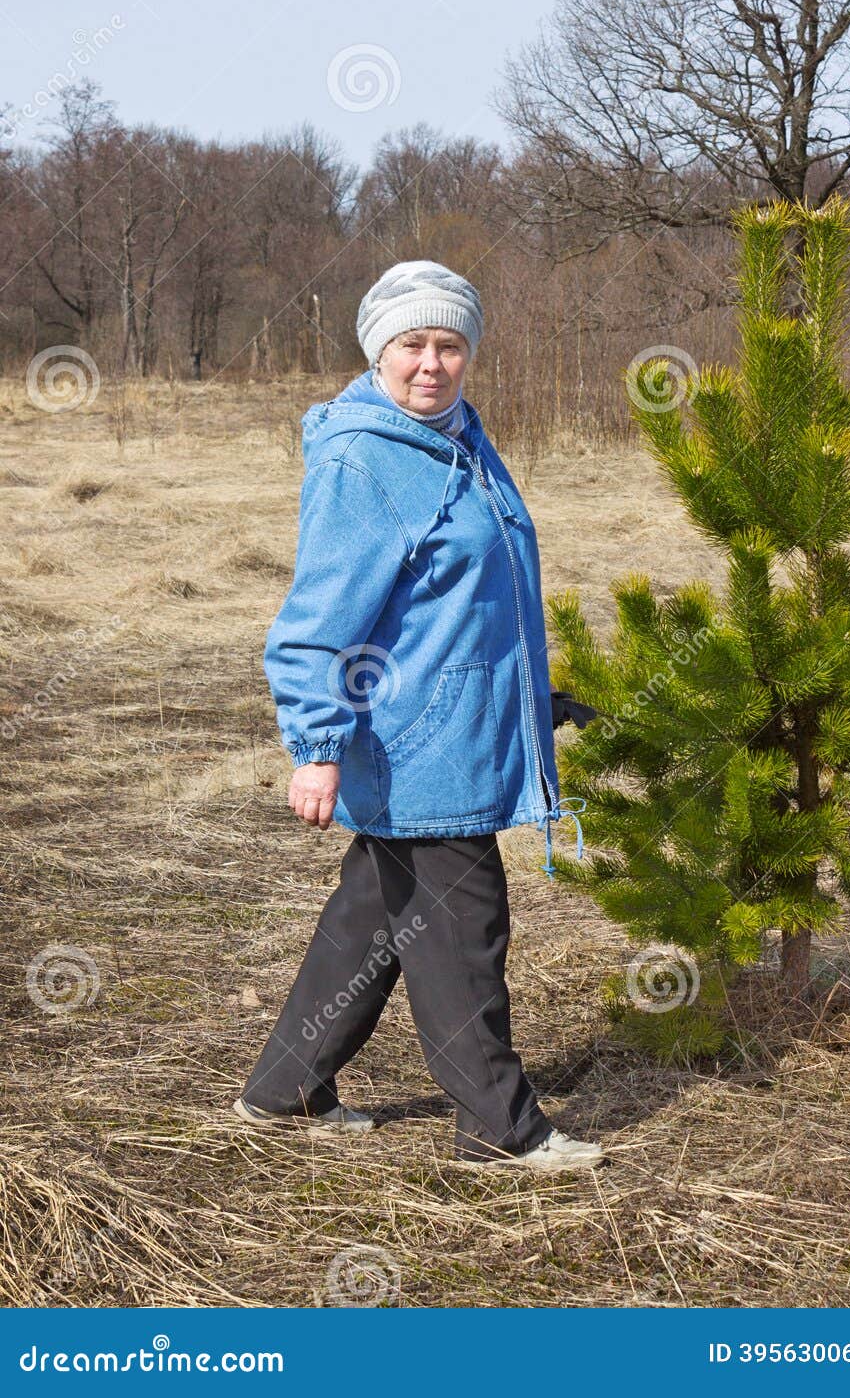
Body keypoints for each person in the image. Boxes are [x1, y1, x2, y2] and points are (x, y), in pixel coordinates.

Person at [232, 260, 605, 1171]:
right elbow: (319, 623)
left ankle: (285, 1087)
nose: (431, 364)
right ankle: (498, 1125)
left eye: (449, 345)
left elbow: (467, 602)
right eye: (411, 345)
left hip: (456, 728)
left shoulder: (458, 440)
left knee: (373, 917)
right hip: (416, 741)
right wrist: (315, 748)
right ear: (379, 352)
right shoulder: (369, 460)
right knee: (463, 928)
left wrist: (528, 702)